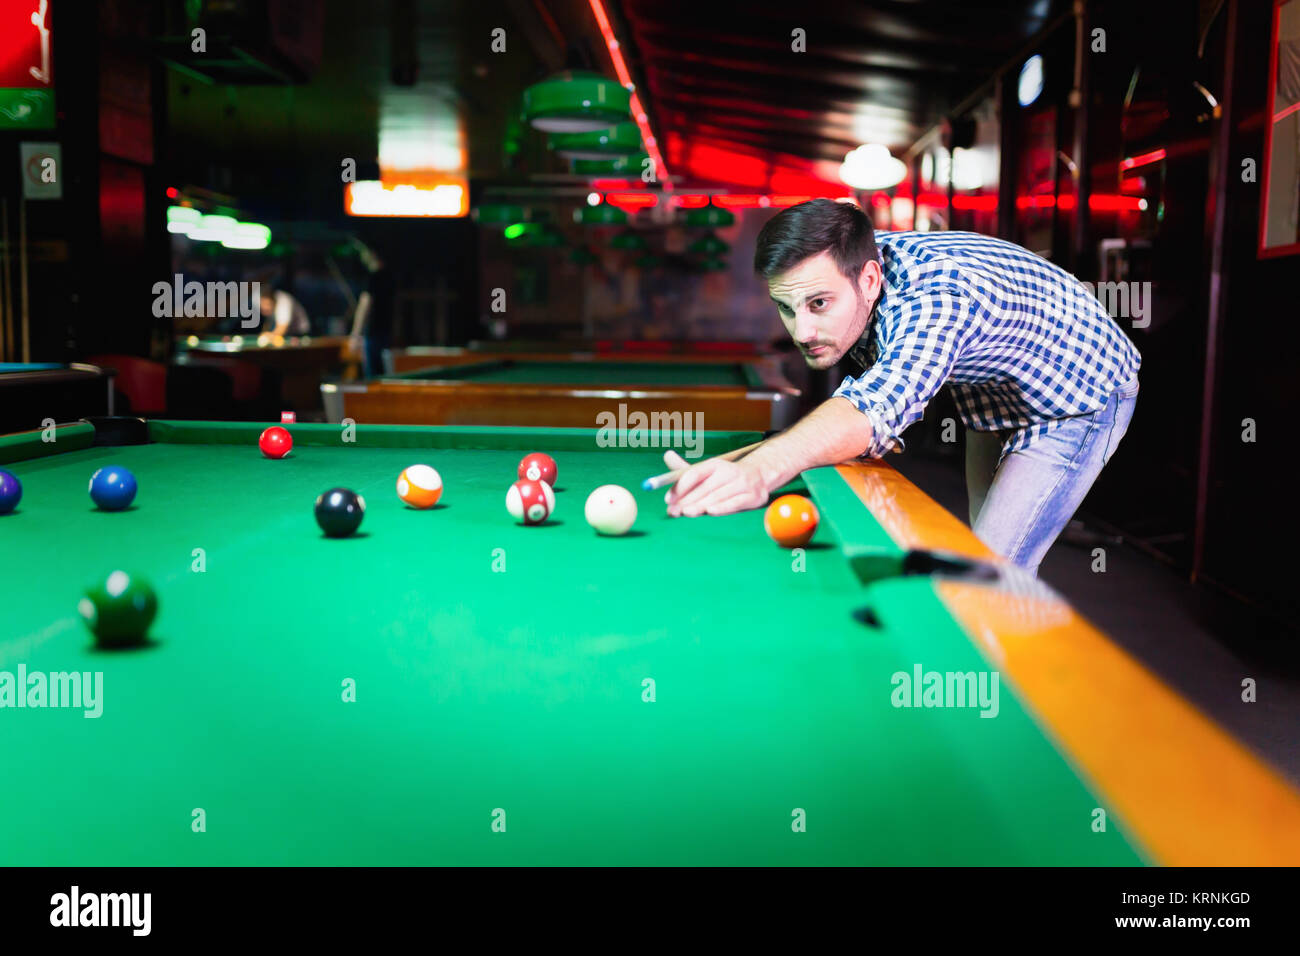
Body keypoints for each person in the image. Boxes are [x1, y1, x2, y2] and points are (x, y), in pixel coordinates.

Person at [664, 198, 1141, 574]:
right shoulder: (853, 259)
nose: (800, 332)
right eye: (787, 308)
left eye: (818, 304)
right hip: (991, 391)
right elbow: (872, 393)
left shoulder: (935, 303)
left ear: (870, 280)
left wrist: (760, 470)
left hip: (1077, 396)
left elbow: (872, 408)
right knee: (979, 546)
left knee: (995, 567)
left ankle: (1011, 690)